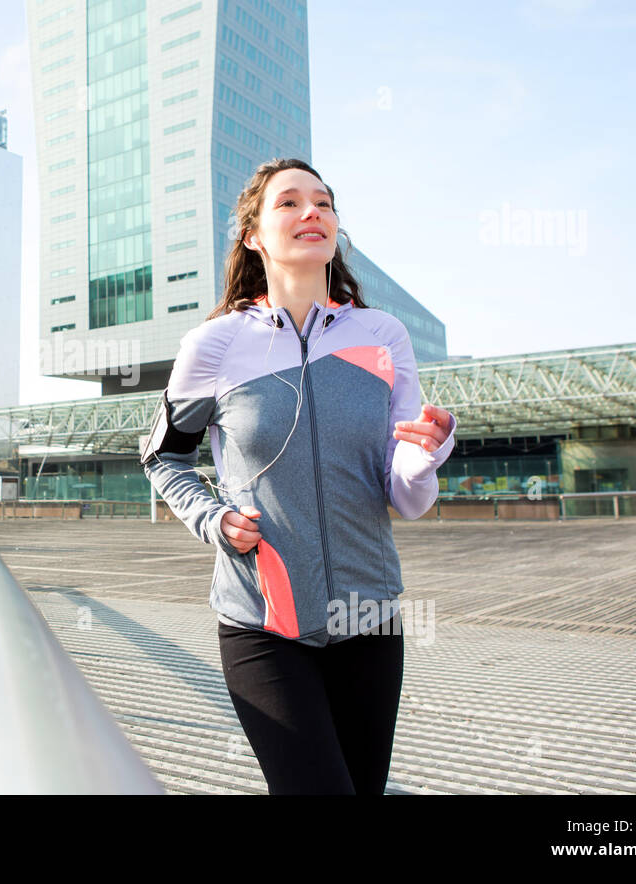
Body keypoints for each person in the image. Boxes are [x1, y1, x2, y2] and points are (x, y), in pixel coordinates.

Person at [140, 158, 457, 794]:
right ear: (252, 234)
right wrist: (212, 518)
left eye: (324, 202)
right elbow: (162, 455)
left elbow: (407, 497)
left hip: (369, 620)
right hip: (263, 623)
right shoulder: (215, 345)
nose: (312, 212)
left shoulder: (382, 336)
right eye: (289, 202)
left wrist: (427, 456)